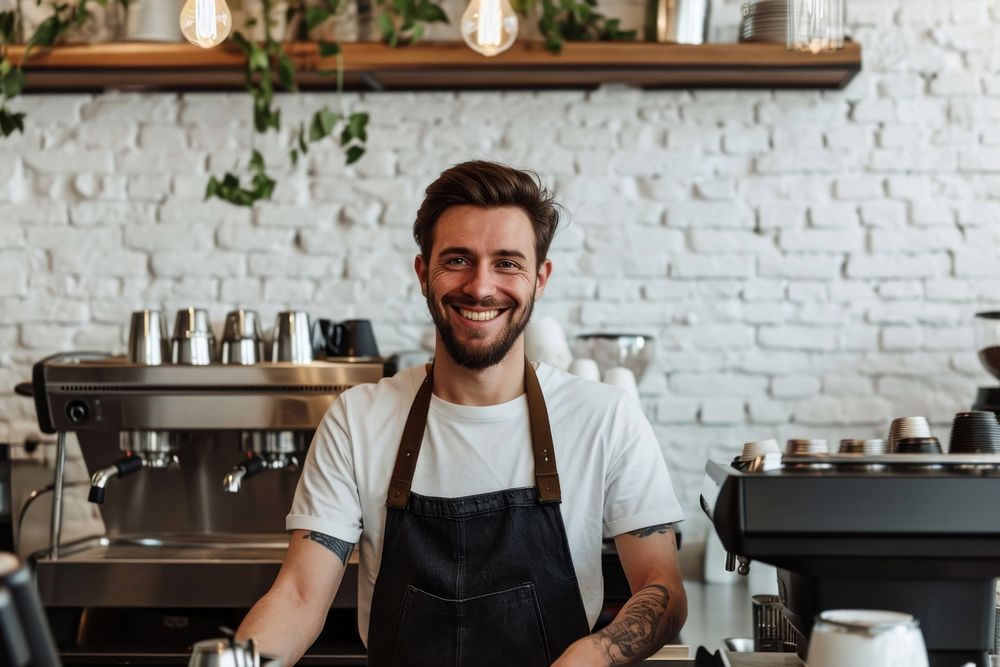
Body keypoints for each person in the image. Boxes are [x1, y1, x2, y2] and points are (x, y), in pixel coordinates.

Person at [237, 160, 687, 666]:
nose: (480, 287)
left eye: (507, 263)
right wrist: (234, 663)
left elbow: (661, 586)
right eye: (457, 259)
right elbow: (298, 595)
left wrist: (595, 655)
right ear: (422, 271)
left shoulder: (604, 418)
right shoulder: (358, 419)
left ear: (540, 278)